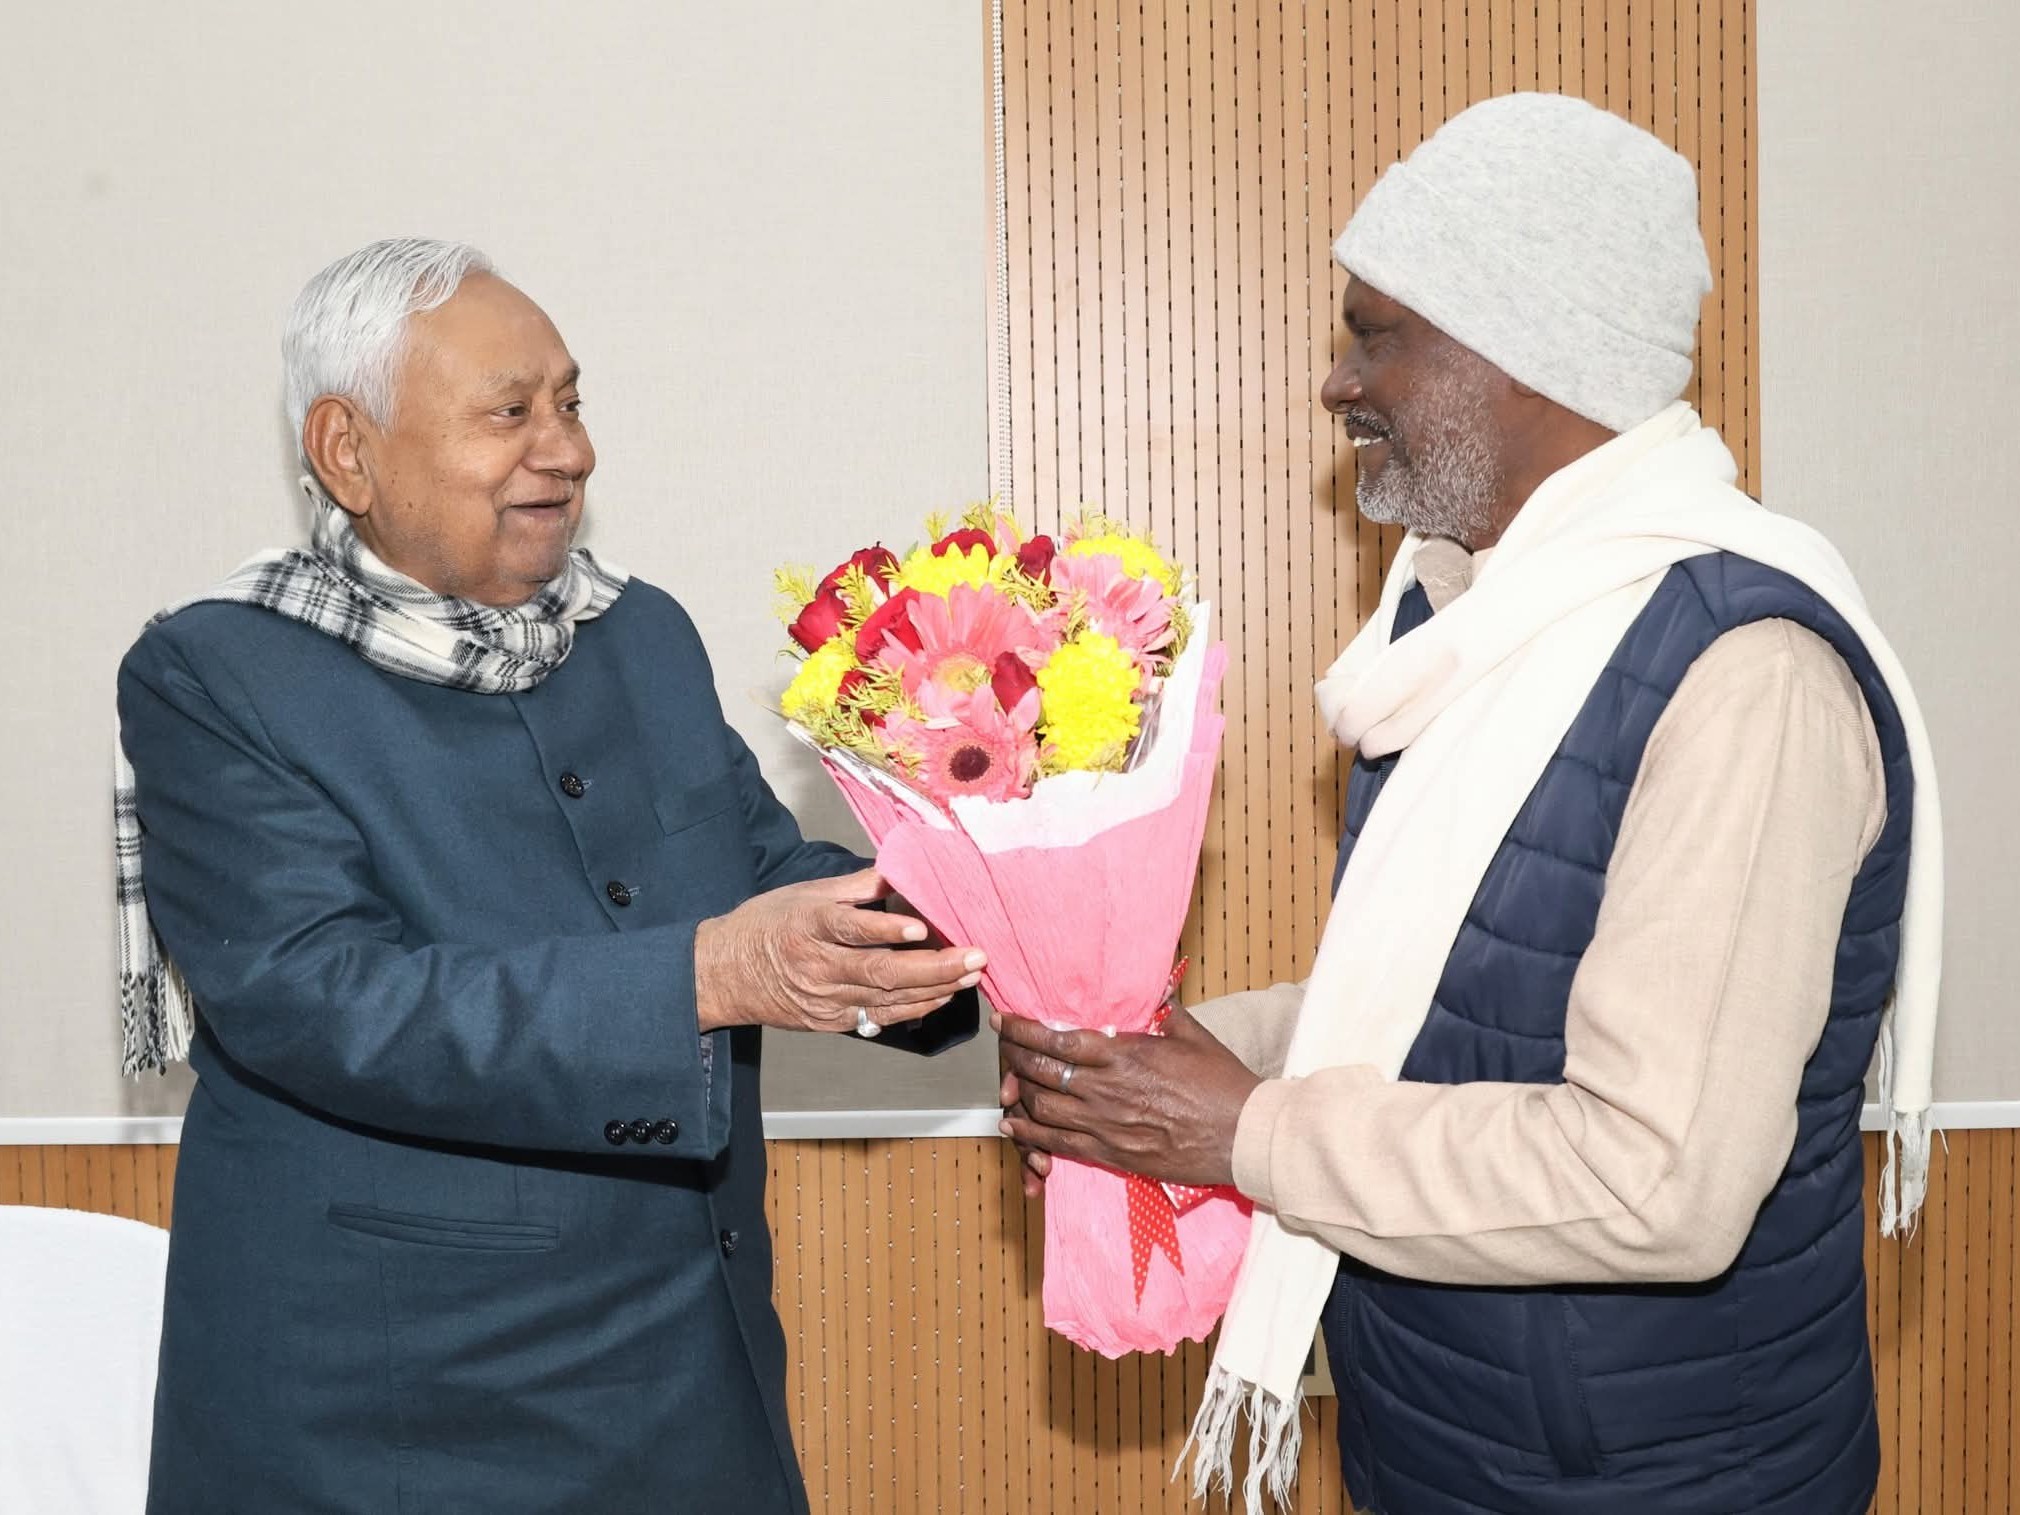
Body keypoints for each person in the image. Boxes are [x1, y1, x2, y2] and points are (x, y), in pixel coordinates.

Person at [997, 93, 1941, 1515]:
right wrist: (1167, 1056)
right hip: (1453, 1446)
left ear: (1525, 348)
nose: (1337, 383)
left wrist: (1238, 1128)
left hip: (1659, 1481)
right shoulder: (1483, 624)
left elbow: (1657, 1178)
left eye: (1377, 332)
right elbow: (1460, 984)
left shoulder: (1745, 674)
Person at [116, 237, 983, 1514]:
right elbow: (322, 1000)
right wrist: (712, 975)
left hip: (692, 1384)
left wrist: (991, 910)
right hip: (392, 1415)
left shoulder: (639, 633)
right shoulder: (218, 674)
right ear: (347, 451)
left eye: (571, 402)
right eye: (509, 412)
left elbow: (764, 870)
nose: (565, 448)